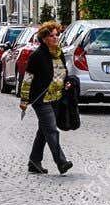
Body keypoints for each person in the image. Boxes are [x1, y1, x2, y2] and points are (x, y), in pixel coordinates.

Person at [19, 21, 73, 176]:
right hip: (41, 99)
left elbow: (62, 72)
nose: (55, 38)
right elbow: (28, 79)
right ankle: (61, 162)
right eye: (51, 36)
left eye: (57, 35)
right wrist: (24, 100)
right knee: (51, 130)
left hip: (56, 97)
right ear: (44, 39)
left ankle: (34, 162)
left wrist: (66, 82)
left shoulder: (58, 53)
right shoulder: (37, 56)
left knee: (43, 131)